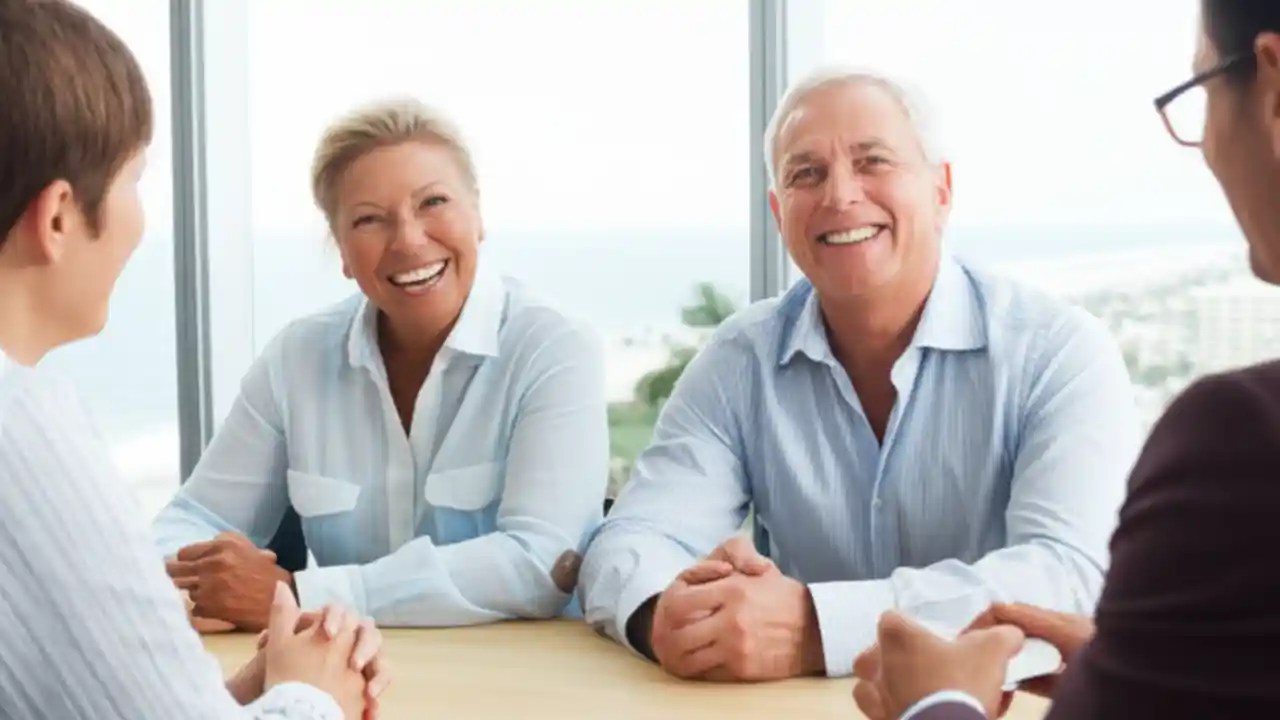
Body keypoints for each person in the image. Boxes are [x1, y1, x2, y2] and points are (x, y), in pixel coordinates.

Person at [577, 67, 1142, 681]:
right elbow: (631, 538)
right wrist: (667, 615)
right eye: (806, 174)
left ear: (941, 190)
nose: (840, 195)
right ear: (778, 211)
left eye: (873, 161)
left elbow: (1067, 577)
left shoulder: (1057, 351)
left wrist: (819, 628)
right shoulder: (740, 361)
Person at [852, 1, 1280, 718]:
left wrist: (937, 702)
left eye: (1202, 90)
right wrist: (1146, 660)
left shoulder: (1242, 440)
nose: (1205, 142)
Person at [0, 1, 389, 718]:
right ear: (58, 217)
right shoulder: (24, 428)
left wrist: (241, 689)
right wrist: (313, 696)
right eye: (135, 180)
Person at [151, 98, 609, 631]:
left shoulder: (552, 347)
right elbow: (196, 518)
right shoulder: (295, 359)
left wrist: (302, 594)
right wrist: (189, 587)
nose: (409, 240)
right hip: (353, 680)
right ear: (342, 250)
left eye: (433, 202)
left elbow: (542, 563)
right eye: (369, 219)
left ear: (478, 216)